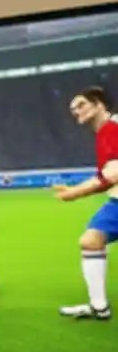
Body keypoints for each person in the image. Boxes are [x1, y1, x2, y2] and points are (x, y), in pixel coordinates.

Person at [55, 85, 118, 320]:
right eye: (72, 108)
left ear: (99, 104)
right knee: (91, 241)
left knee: (91, 240)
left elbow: (111, 175)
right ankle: (98, 307)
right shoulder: (107, 132)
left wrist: (74, 193)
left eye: (81, 105)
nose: (75, 111)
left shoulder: (111, 129)